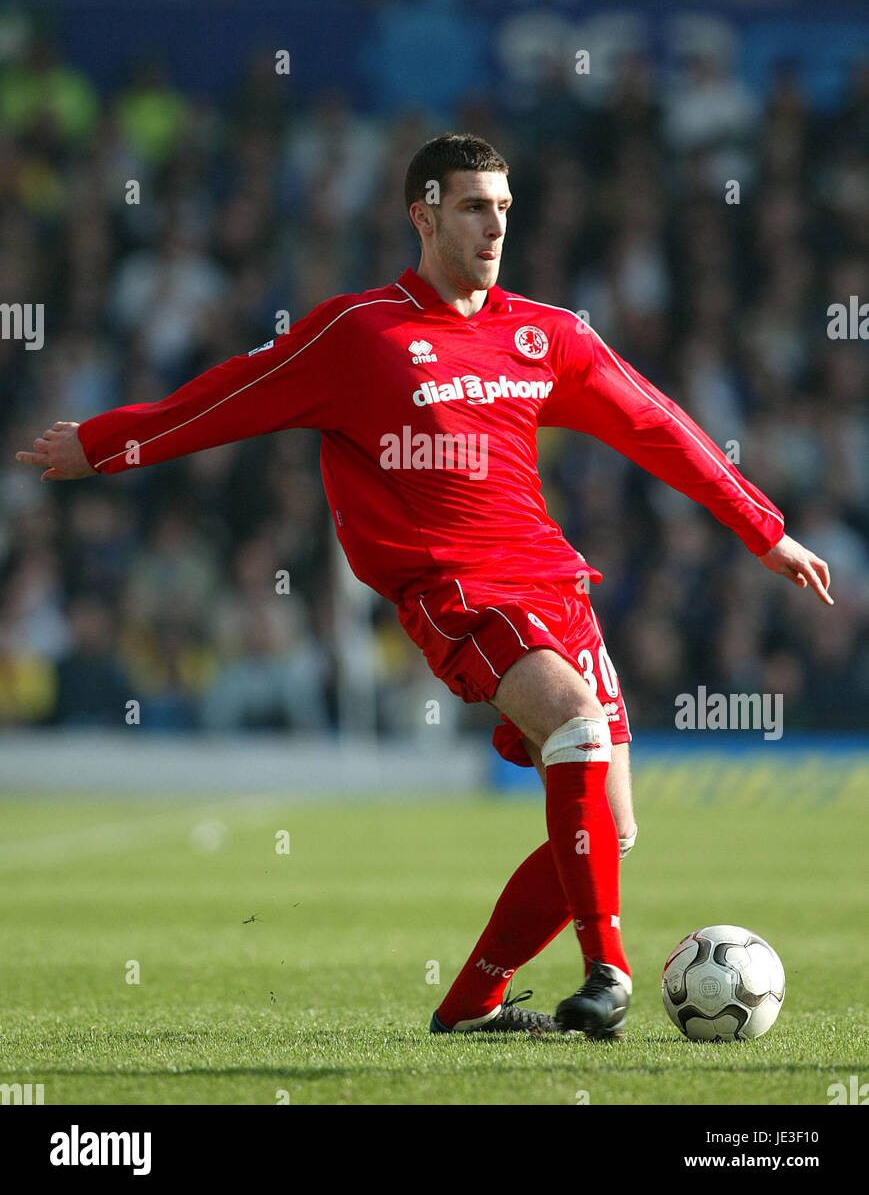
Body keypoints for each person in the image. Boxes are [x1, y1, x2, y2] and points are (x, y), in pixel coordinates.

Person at [16, 133, 833, 1039]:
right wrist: (101, 444)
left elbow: (656, 424)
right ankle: (609, 971)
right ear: (424, 213)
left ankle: (469, 1006)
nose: (495, 226)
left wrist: (764, 530)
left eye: (505, 209)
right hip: (455, 588)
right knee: (572, 721)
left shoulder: (543, 333)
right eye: (476, 206)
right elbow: (228, 395)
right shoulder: (358, 331)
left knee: (613, 828)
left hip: (556, 584)